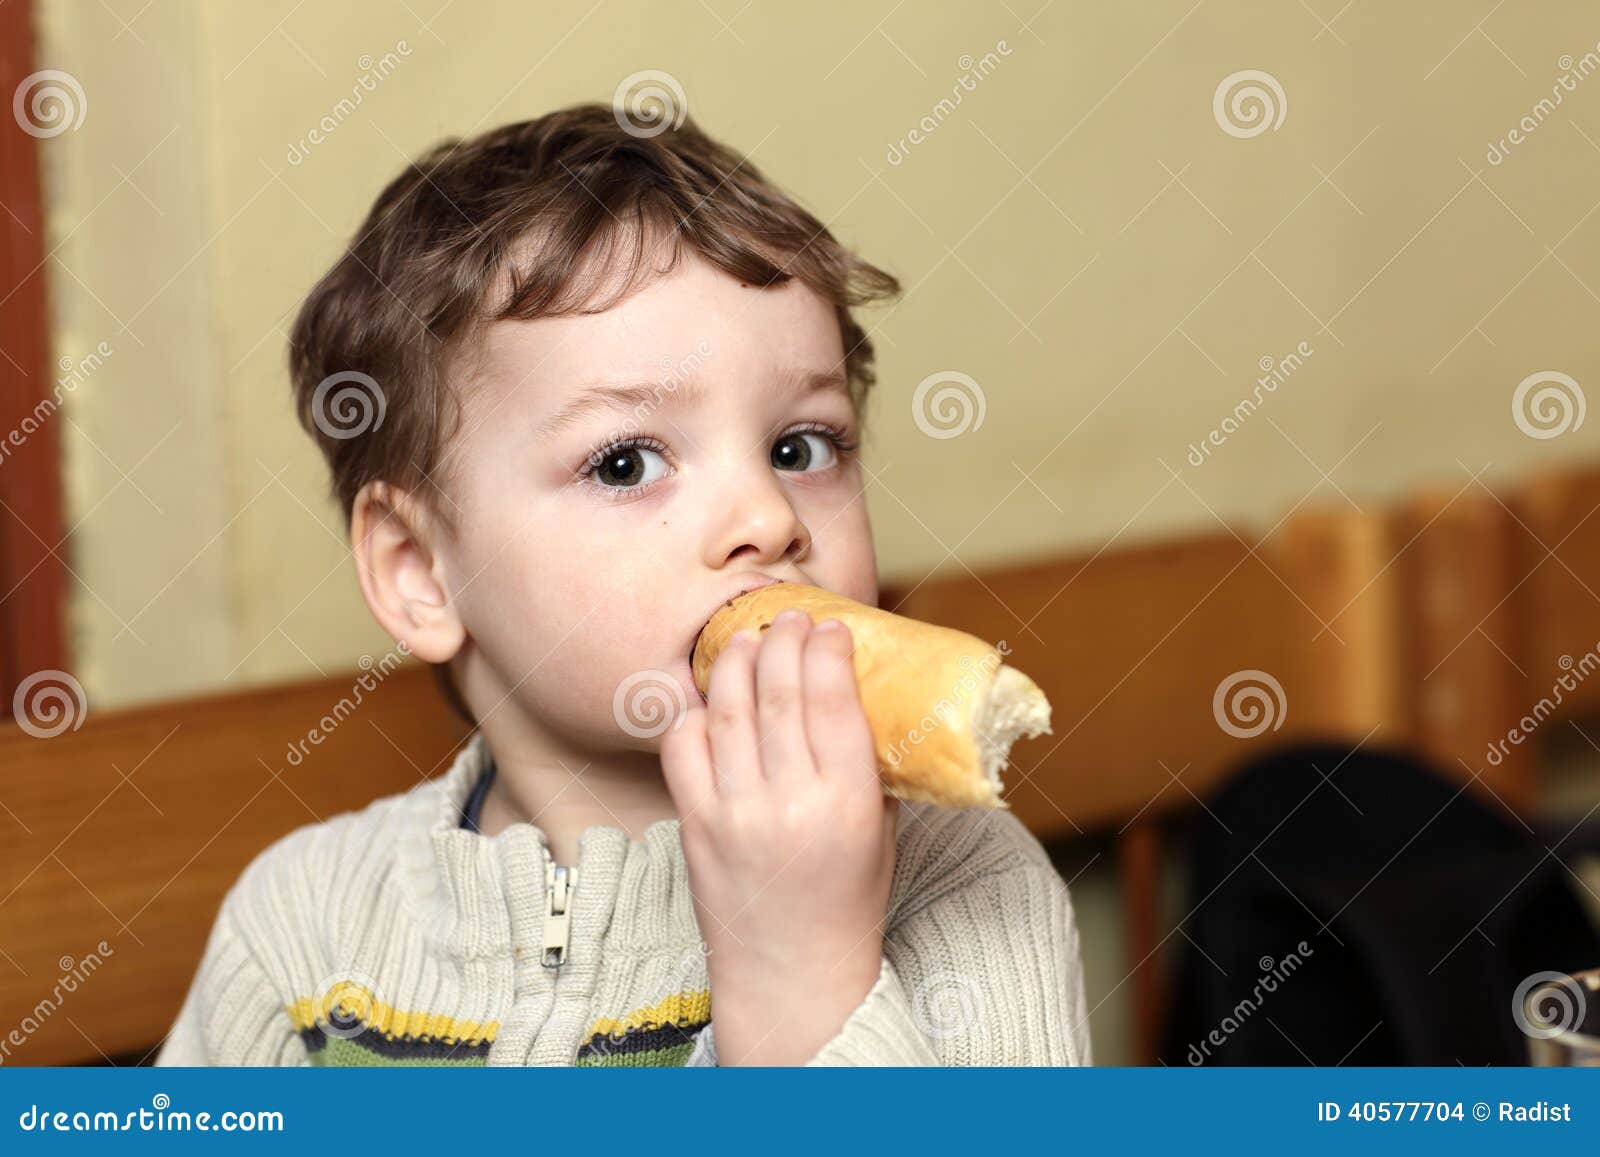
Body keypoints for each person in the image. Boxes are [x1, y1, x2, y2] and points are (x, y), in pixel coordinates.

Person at [155, 102, 1092, 1067]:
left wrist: (802, 976)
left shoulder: (964, 882)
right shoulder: (297, 932)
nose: (769, 517)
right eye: (625, 464)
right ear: (418, 571)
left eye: (800, 447)